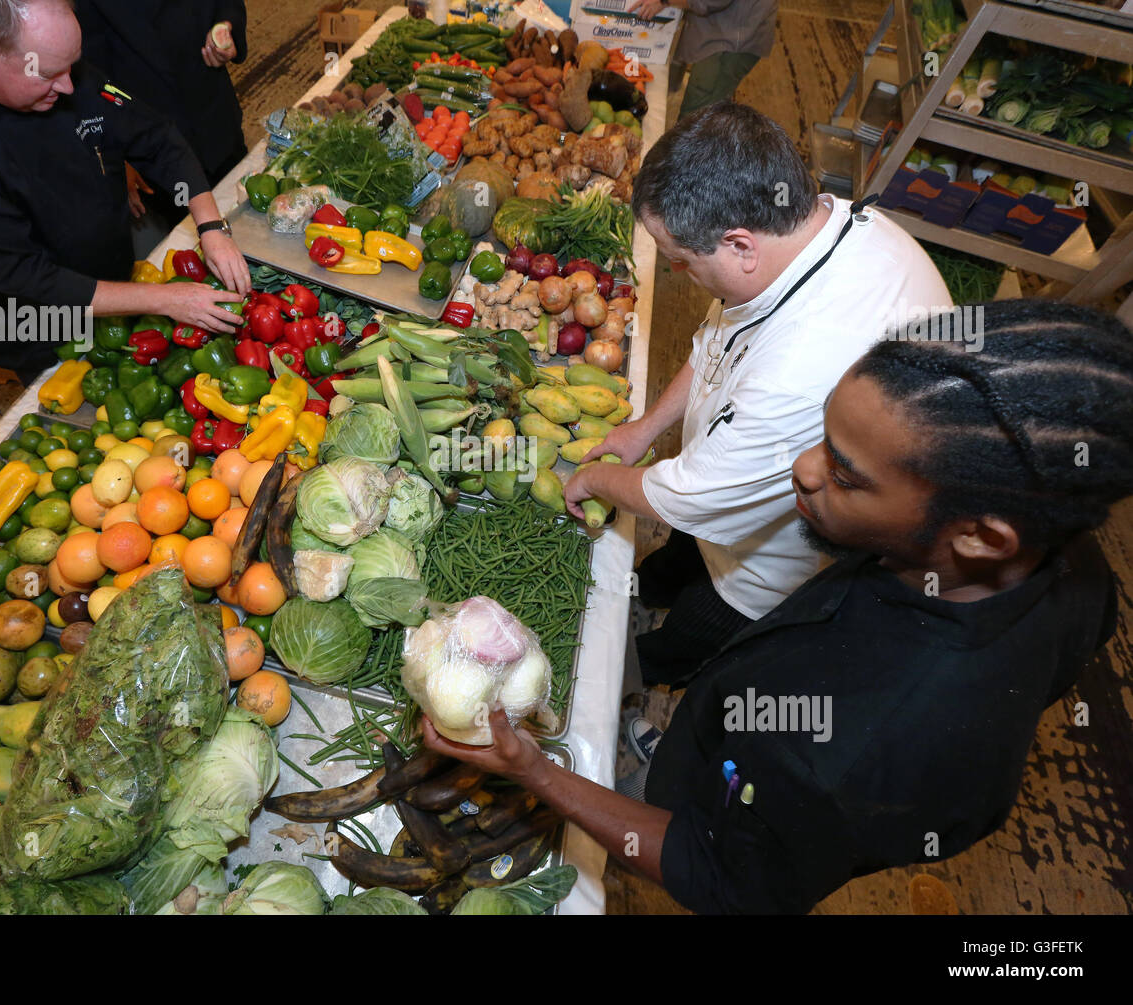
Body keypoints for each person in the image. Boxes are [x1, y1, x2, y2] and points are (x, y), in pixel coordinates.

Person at [429, 300, 1131, 913]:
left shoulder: (853, 753)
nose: (804, 467)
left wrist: (536, 772)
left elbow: (713, 871)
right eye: (825, 437)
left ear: (979, 536)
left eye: (846, 473)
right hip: (758, 746)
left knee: (694, 795)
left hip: (743, 803)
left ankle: (659, 768)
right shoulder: (1068, 557)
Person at [563, 102, 949, 686]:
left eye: (683, 263)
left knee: (689, 644)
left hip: (768, 571)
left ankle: (648, 697)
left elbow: (692, 497)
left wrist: (591, 480)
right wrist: (646, 428)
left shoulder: (804, 365)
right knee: (671, 566)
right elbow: (720, 340)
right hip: (727, 496)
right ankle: (653, 595)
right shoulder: (812, 224)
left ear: (740, 245)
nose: (678, 275)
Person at [0, 0, 250, 383]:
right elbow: (23, 275)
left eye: (72, 66)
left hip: (109, 279)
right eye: (48, 75)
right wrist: (167, 300)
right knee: (71, 391)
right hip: (31, 320)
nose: (69, 86)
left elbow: (155, 139)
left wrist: (211, 226)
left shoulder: (43, 58)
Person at [75, 1, 249, 231]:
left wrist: (227, 27)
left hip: (216, 120)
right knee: (190, 236)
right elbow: (92, 77)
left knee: (248, 211)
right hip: (153, 149)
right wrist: (117, 156)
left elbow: (227, 4)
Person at [627, 0, 776, 118]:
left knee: (697, 116)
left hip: (730, 38)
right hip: (714, 26)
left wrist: (663, 1)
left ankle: (686, 154)